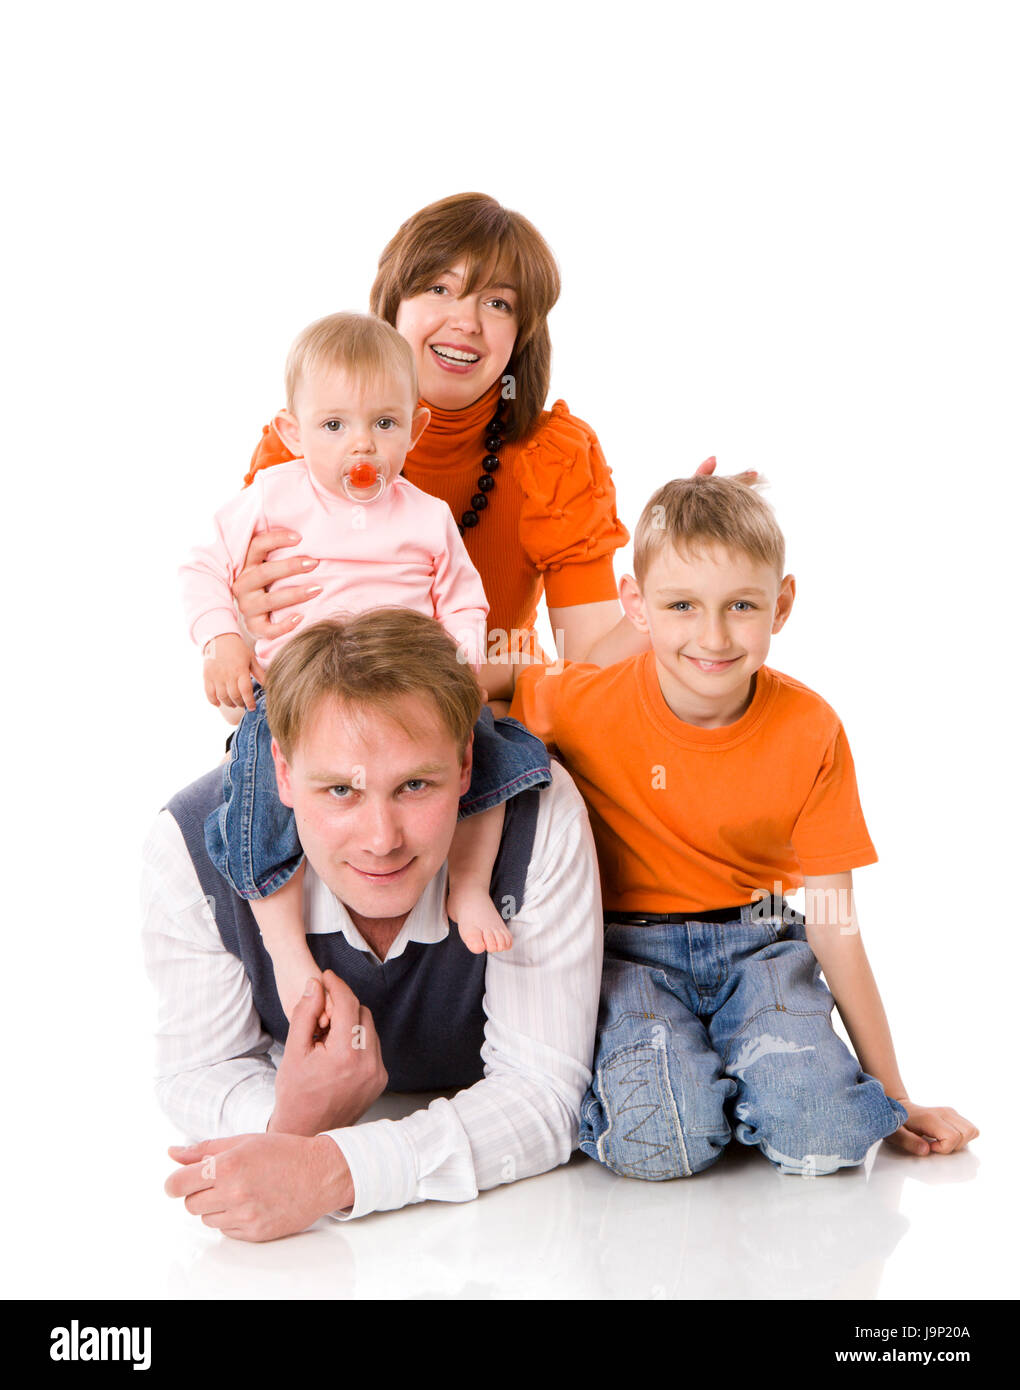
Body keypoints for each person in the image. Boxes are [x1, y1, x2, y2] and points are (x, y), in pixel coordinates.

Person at [496, 474, 978, 1178]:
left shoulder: (810, 728)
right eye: (682, 605)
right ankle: (695, 1084)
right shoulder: (585, 700)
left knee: (831, 1137)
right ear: (637, 607)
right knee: (657, 1148)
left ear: (781, 604)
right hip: (629, 956)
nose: (713, 637)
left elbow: (835, 921)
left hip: (761, 946)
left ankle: (758, 1068)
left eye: (742, 605)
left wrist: (897, 1096)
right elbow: (495, 684)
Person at [146, 610, 603, 1239]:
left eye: (415, 785)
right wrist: (291, 1114)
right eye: (341, 792)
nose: (382, 841)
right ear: (281, 771)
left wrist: (335, 1167)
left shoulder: (537, 816)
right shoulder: (192, 849)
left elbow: (545, 1091)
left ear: (467, 764)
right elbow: (197, 1070)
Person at [180, 313, 553, 1015]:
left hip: (413, 697)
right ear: (291, 433)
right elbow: (201, 567)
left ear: (414, 429)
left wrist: (464, 664)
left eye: (384, 425)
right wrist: (222, 639)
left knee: (499, 759)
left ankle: (467, 885)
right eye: (334, 427)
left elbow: (464, 600)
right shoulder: (273, 498)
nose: (362, 446)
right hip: (301, 699)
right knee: (257, 792)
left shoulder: (426, 515)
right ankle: (285, 946)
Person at [232, 192, 642, 670]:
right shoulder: (300, 450)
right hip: (324, 715)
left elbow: (590, 669)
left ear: (521, 334)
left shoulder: (553, 456)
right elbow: (240, 692)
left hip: (494, 713)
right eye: (439, 289)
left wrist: (680, 568)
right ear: (394, 304)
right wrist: (238, 628)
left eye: (497, 303)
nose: (466, 322)